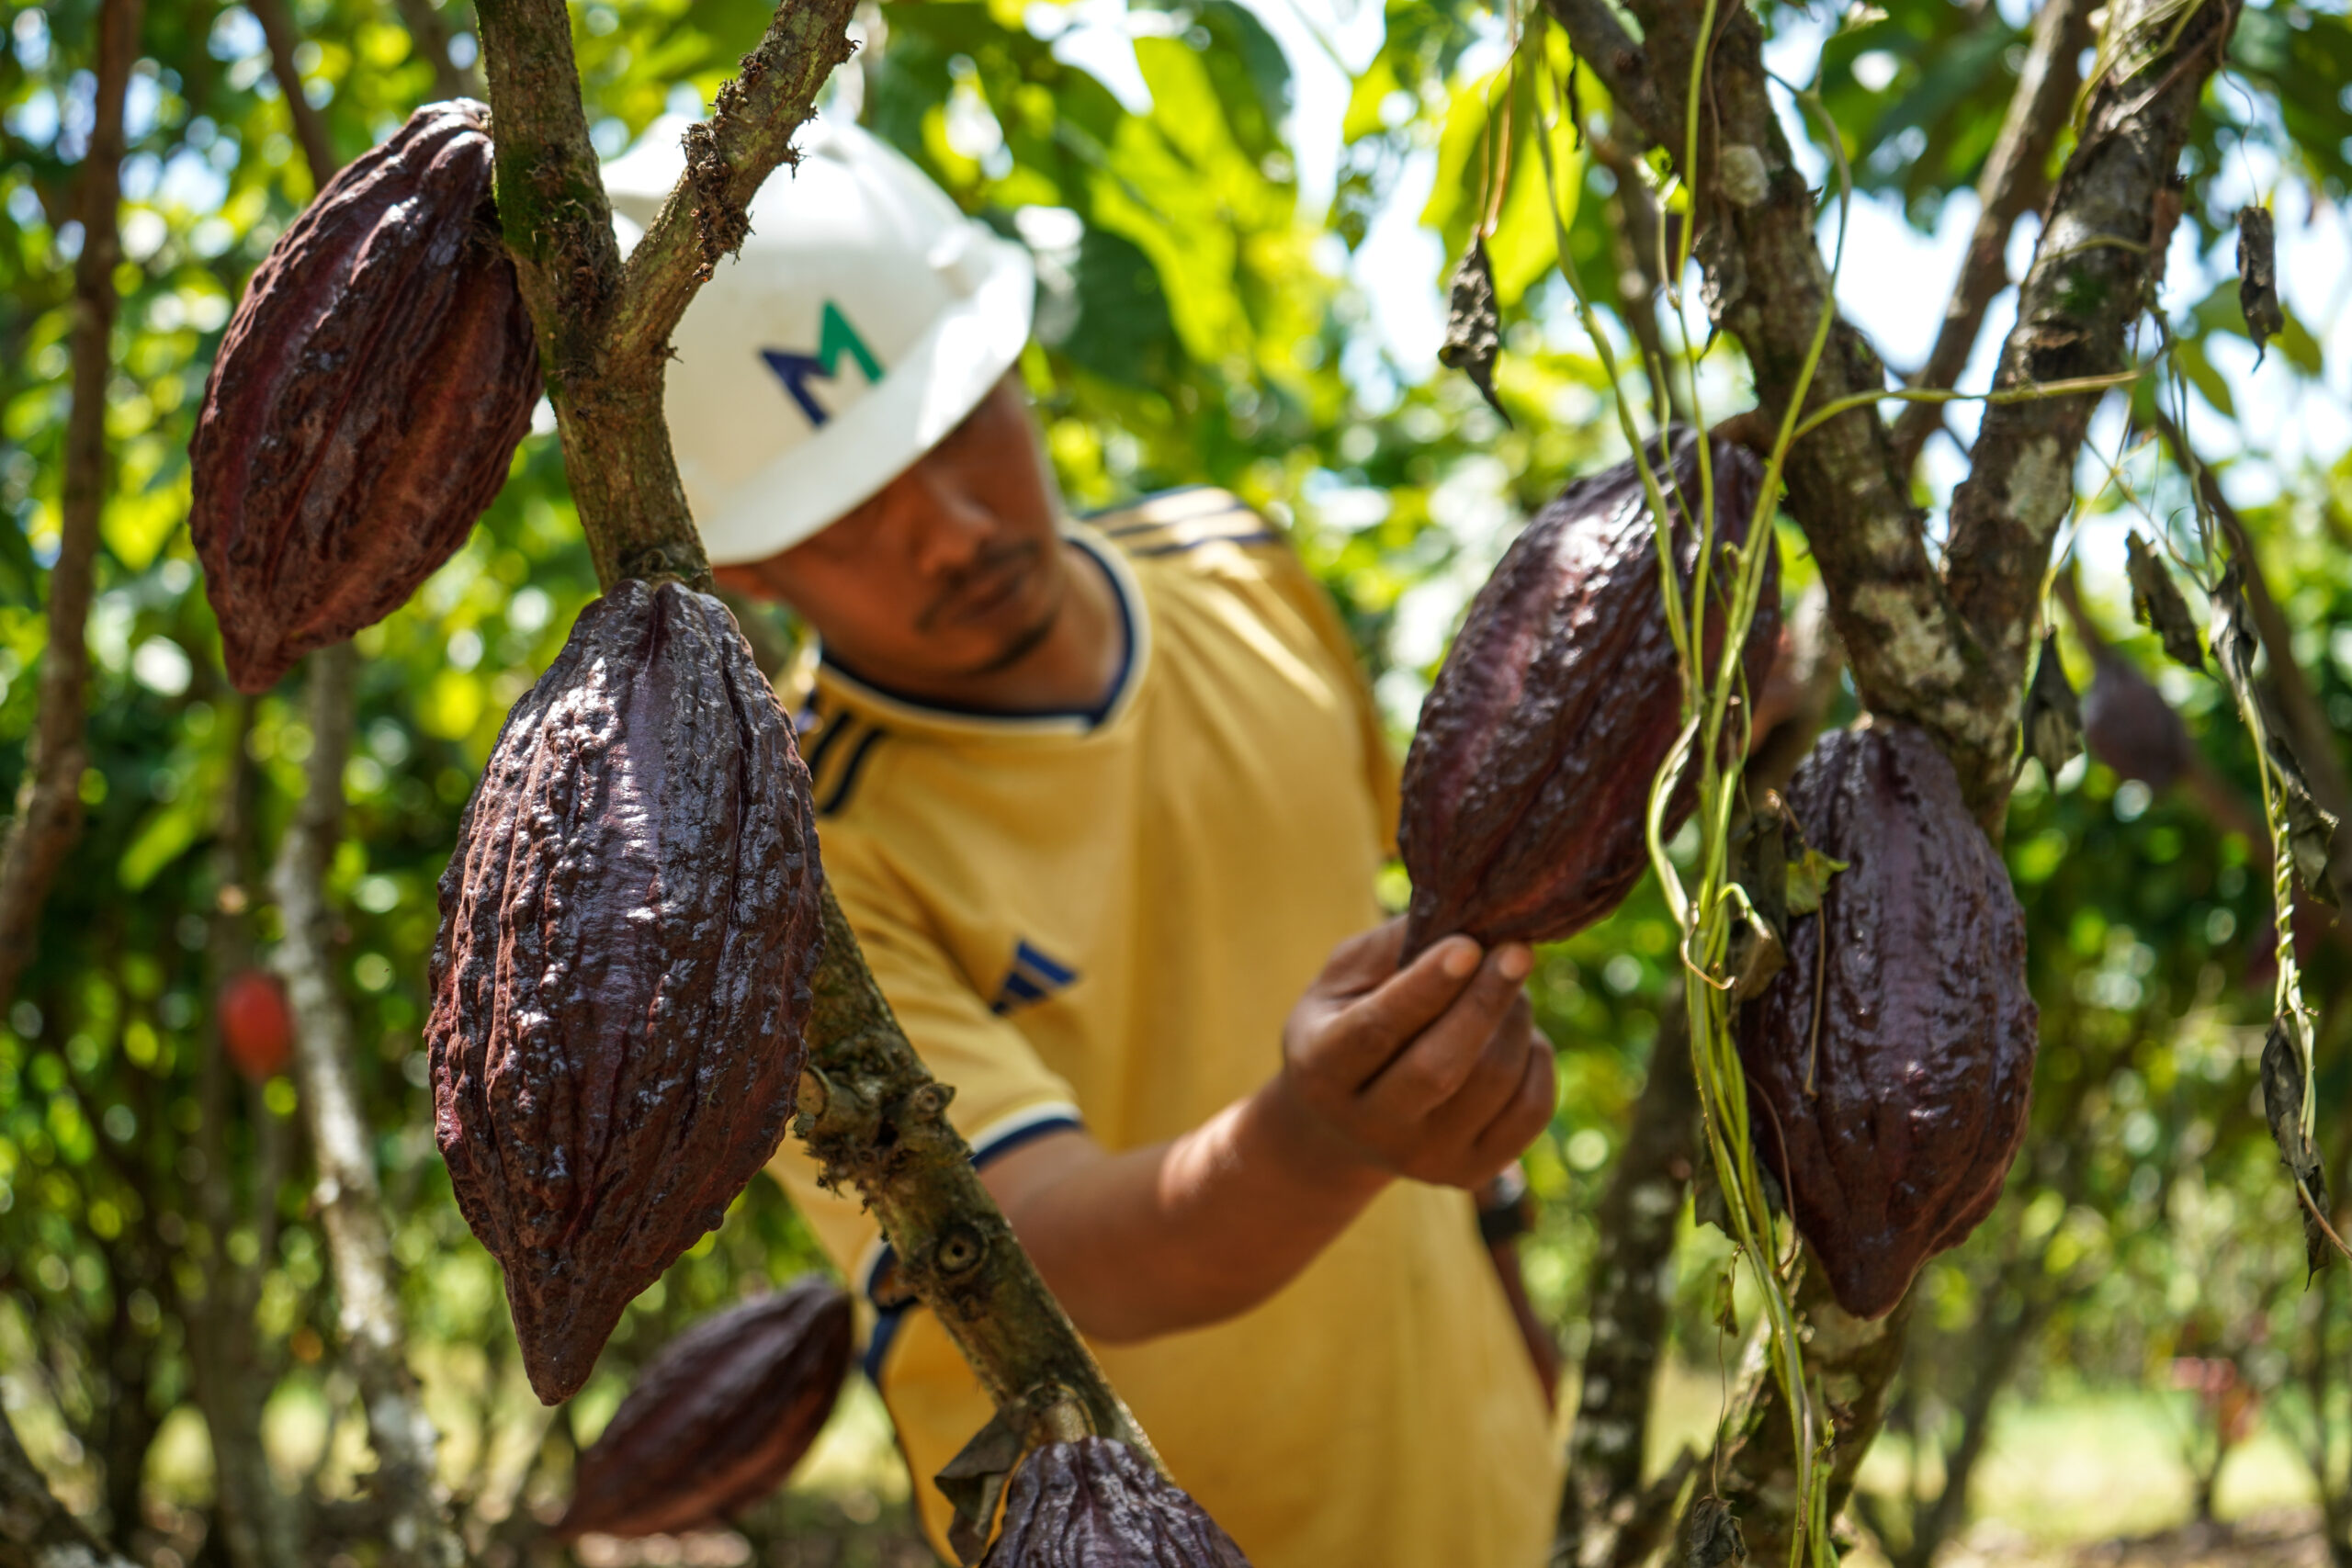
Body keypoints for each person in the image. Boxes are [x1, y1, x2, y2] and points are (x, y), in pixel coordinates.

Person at [604, 118, 1560, 1568]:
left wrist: (1505, 1270)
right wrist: (1319, 1140)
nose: (949, 530)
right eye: (851, 509)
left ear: (1015, 368)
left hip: (1478, 1490)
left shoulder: (1241, 570)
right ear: (741, 563)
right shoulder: (787, 865)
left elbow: (1429, 936)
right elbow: (1033, 1250)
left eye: (952, 429)